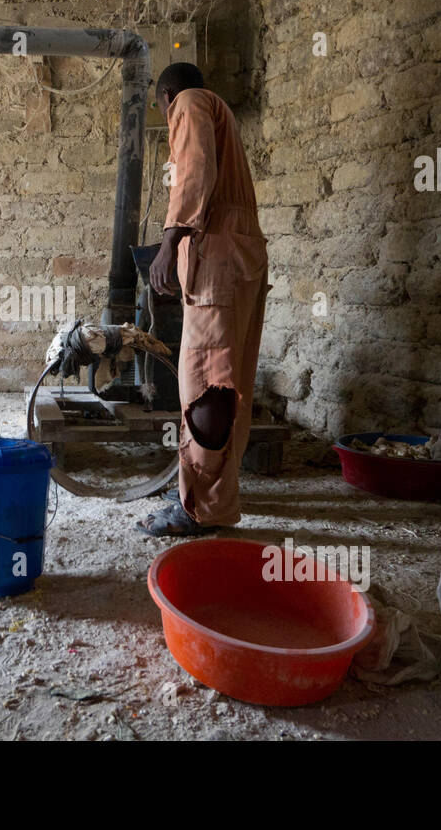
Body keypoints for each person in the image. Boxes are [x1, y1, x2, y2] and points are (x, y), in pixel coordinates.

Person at [139, 62, 269, 536]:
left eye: (160, 108)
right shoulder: (223, 114)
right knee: (228, 378)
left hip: (217, 254)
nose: (165, 115)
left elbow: (194, 171)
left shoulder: (191, 101)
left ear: (167, 94)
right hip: (236, 252)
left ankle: (200, 510)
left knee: (207, 380)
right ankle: (210, 495)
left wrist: (169, 244)